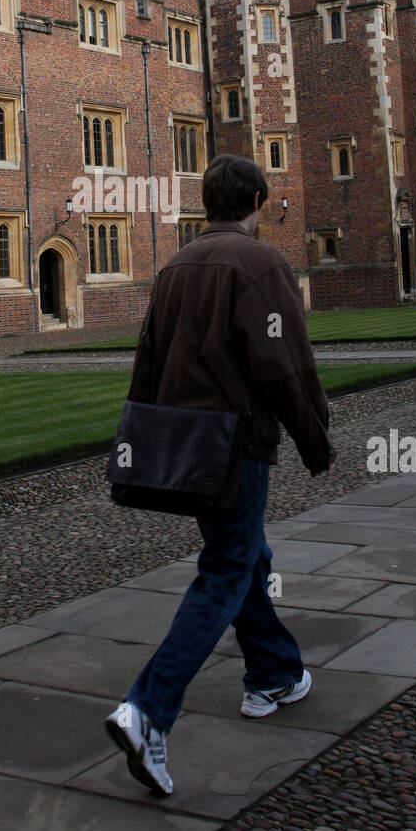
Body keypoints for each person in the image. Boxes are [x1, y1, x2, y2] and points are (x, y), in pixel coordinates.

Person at [104, 154, 335, 796]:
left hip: (188, 444)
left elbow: (147, 358)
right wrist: (315, 442)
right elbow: (286, 365)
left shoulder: (175, 265)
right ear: (258, 198)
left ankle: (273, 674)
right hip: (236, 442)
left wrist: (141, 441)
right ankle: (147, 711)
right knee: (229, 569)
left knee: (243, 555)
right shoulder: (259, 263)